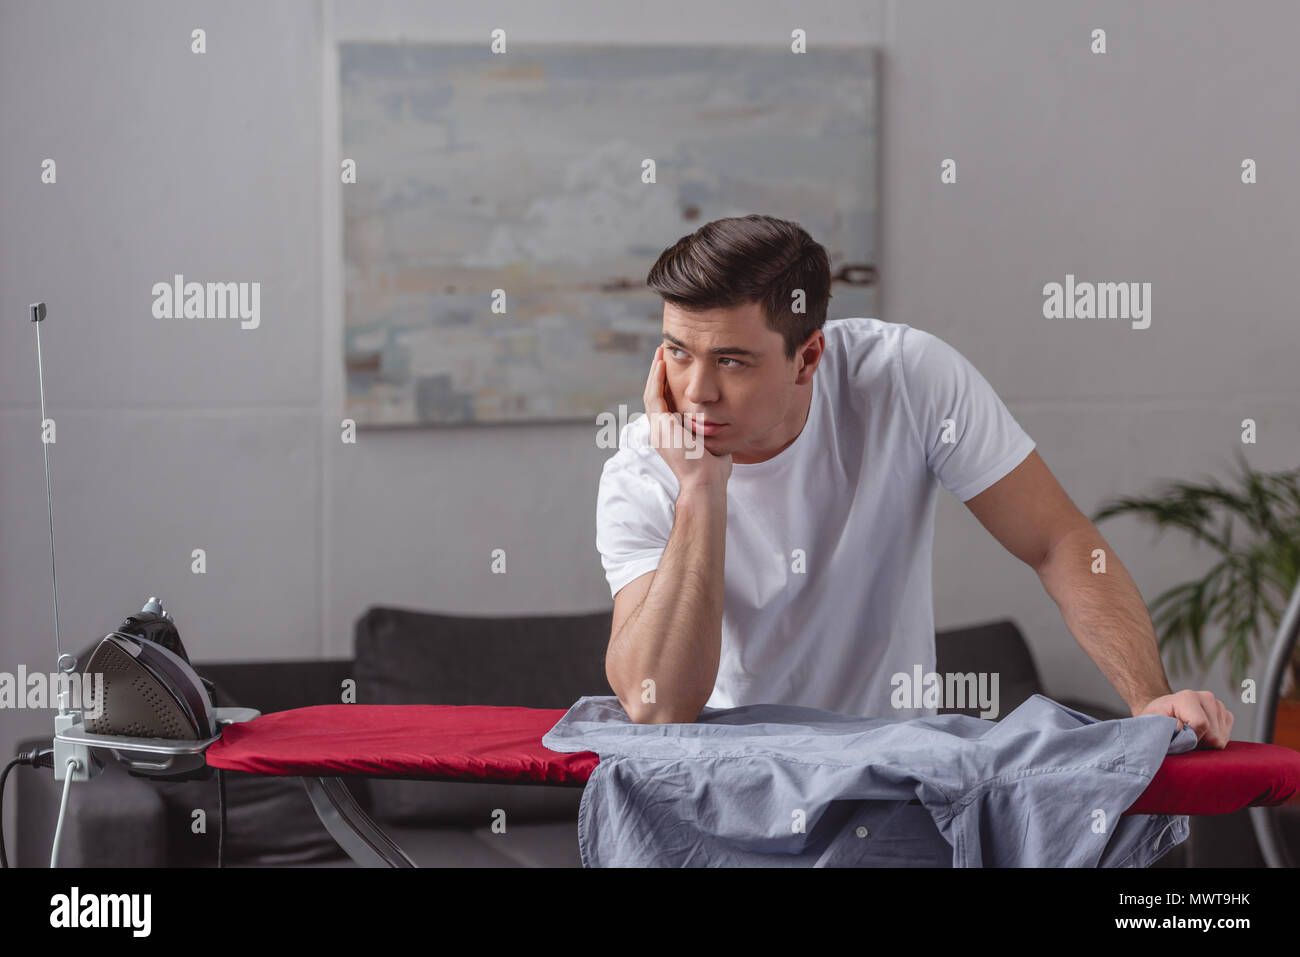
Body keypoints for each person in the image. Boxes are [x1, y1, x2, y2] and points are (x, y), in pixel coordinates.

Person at [597, 213, 1233, 748]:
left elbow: (1058, 542)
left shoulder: (906, 378)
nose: (698, 392)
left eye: (731, 360)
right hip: (720, 779)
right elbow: (658, 707)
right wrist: (702, 488)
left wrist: (1151, 699)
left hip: (893, 771)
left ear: (808, 356)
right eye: (678, 351)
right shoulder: (643, 467)